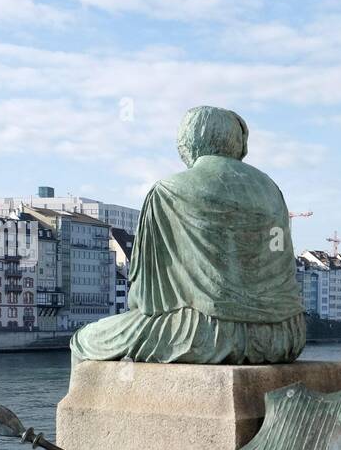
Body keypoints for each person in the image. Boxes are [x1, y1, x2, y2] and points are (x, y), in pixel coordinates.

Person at [70, 105, 306, 364]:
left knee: (84, 341)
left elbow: (144, 297)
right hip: (284, 336)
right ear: (240, 144)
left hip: (203, 334)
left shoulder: (168, 191)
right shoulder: (272, 191)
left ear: (187, 143)